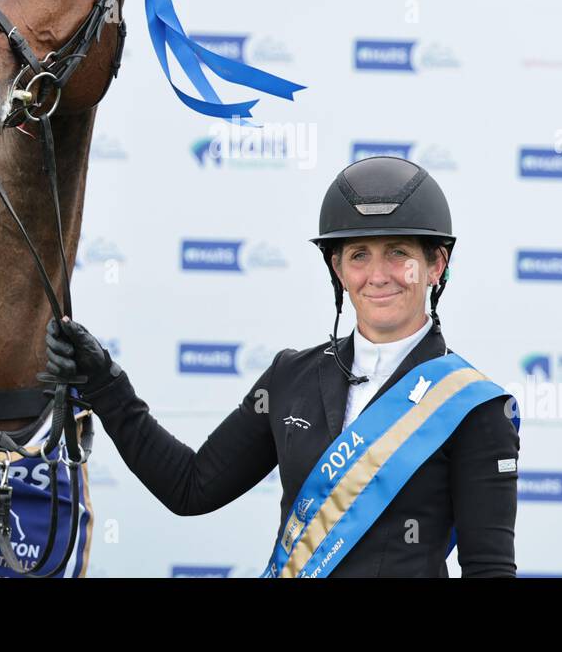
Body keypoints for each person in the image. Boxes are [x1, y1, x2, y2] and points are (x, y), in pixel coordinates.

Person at [46, 155, 520, 577]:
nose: (378, 275)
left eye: (398, 252)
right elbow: (190, 488)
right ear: (338, 270)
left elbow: (489, 568)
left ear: (435, 265)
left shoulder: (472, 407)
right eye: (359, 255)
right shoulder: (289, 377)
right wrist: (106, 385)